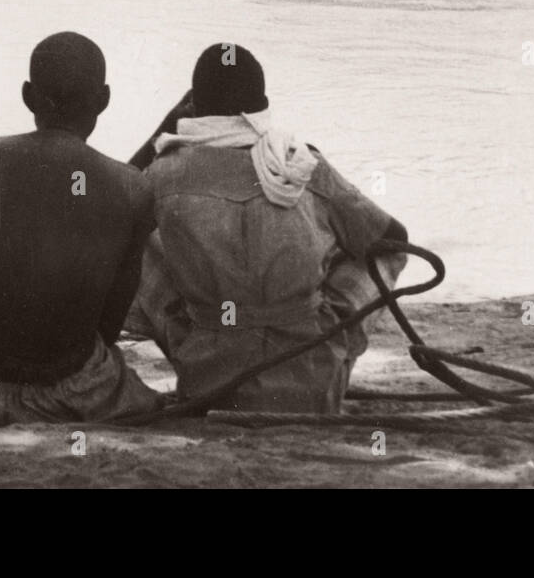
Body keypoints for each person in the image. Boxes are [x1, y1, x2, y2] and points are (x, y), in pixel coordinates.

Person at [130, 44, 407, 413]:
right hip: (313, 380)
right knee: (374, 250)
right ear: (263, 107)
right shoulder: (300, 164)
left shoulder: (164, 173)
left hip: (209, 380)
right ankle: (333, 351)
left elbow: (108, 209)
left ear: (193, 108)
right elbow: (394, 238)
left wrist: (166, 126)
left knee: (135, 246)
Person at [0, 33, 159, 427]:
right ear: (104, 100)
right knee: (143, 398)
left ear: (28, 96)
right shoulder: (133, 186)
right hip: (70, 395)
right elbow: (108, 328)